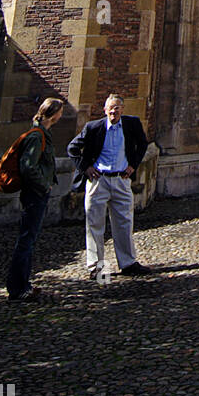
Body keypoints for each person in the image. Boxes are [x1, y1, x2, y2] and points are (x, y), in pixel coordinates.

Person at [67, 93, 149, 278]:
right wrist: (86, 168)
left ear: (122, 109)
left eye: (117, 108)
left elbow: (142, 144)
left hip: (121, 179)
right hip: (99, 180)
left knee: (124, 222)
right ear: (105, 111)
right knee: (94, 224)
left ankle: (128, 263)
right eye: (111, 108)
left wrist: (133, 165)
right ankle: (96, 268)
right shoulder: (93, 127)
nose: (114, 111)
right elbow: (72, 148)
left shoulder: (131, 124)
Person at [6, 97, 64, 301]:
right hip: (34, 194)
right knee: (26, 241)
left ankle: (24, 284)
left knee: (29, 239)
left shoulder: (42, 133)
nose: (61, 116)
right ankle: (18, 288)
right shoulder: (37, 136)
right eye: (60, 112)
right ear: (54, 113)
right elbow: (28, 167)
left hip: (37, 193)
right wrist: (44, 185)